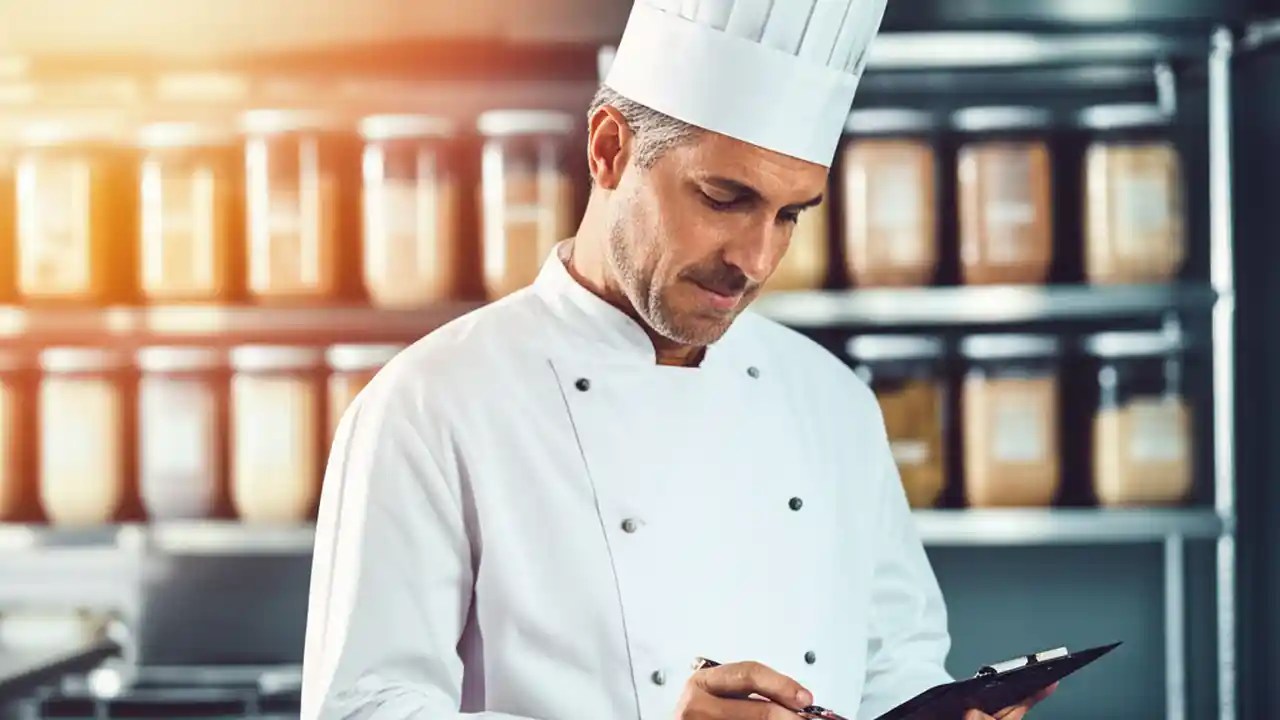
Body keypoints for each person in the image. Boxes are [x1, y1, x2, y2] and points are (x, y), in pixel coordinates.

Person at [302, 2, 1055, 719]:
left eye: (789, 215)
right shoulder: (432, 404)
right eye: (724, 198)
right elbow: (367, 708)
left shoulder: (830, 401)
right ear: (608, 150)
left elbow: (895, 664)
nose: (756, 260)